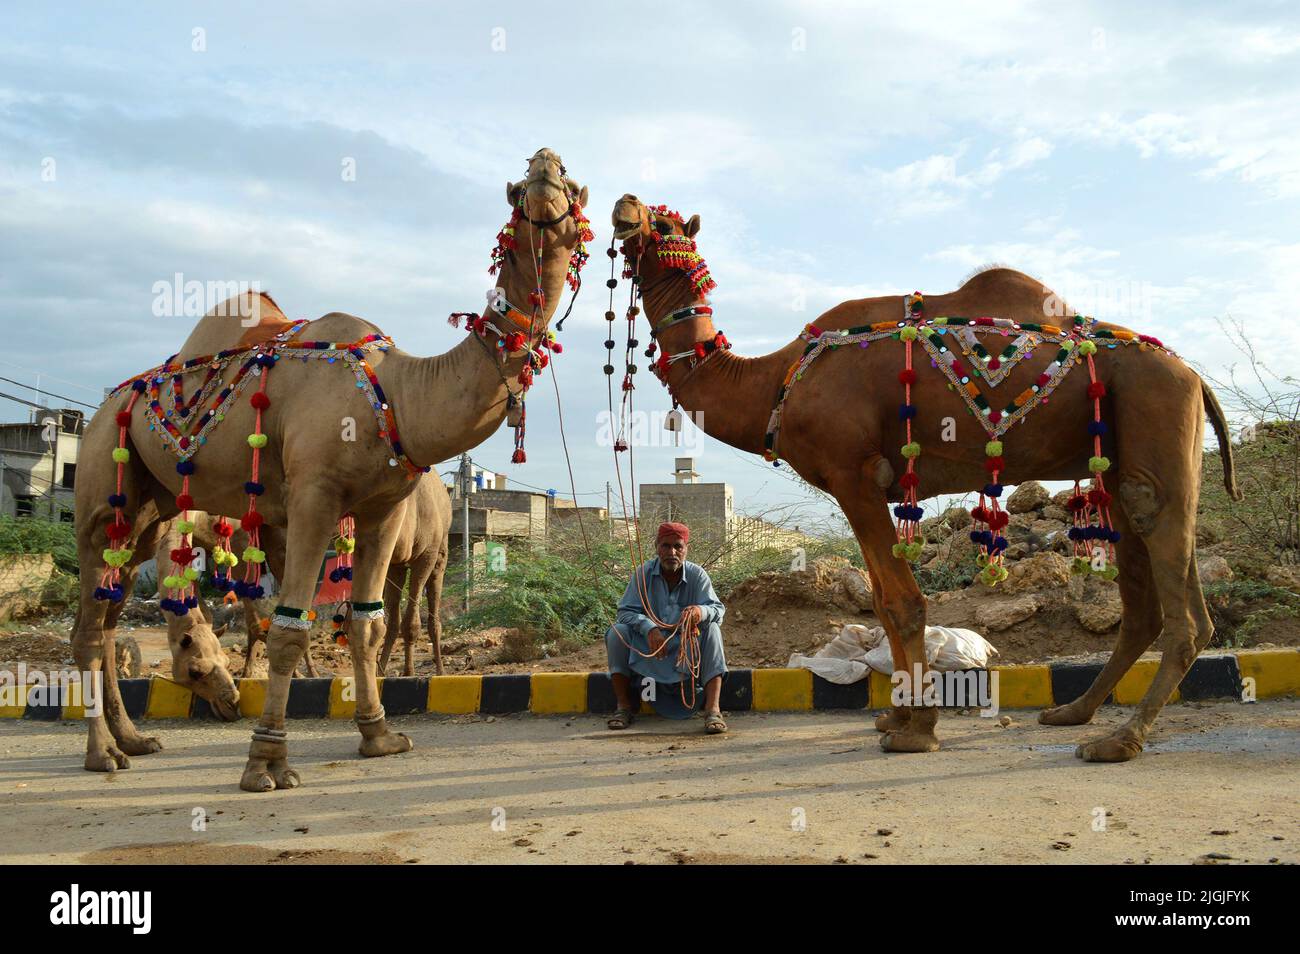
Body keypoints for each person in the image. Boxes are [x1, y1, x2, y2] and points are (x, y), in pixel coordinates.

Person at [604, 521, 728, 733]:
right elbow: (625, 613)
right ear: (656, 547)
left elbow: (717, 609)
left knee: (713, 630)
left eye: (678, 546)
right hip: (650, 645)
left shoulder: (697, 575)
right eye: (666, 546)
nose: (672, 552)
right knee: (616, 633)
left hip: (686, 646)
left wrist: (700, 611)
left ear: (686, 549)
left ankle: (713, 710)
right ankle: (623, 707)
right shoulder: (642, 574)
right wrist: (649, 628)